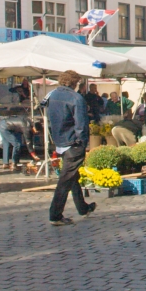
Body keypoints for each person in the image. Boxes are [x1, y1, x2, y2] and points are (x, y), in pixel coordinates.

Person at [44, 71, 95, 227]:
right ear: (76, 82)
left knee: (72, 176)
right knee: (66, 179)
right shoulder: (76, 98)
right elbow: (81, 124)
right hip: (73, 142)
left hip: (59, 141)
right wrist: (83, 142)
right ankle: (55, 215)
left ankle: (83, 208)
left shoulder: (52, 95)